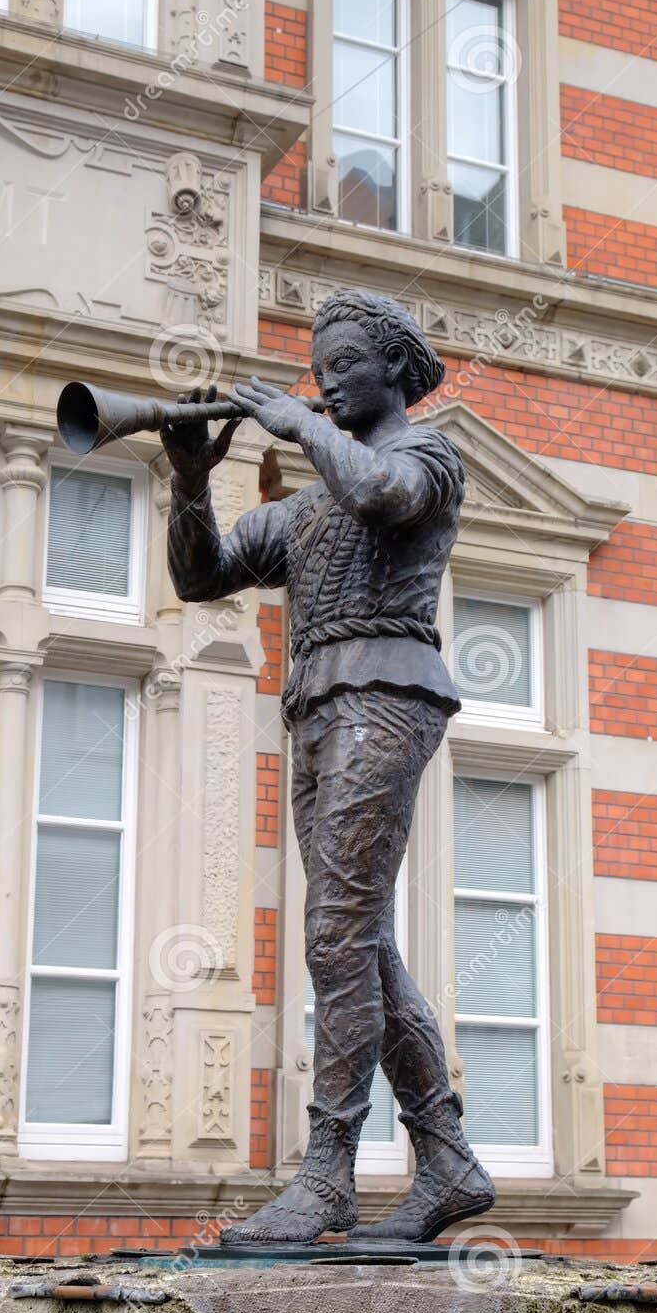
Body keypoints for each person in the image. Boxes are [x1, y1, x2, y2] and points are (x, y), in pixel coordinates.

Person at [161, 290, 495, 1244]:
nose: (324, 379)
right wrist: (190, 481)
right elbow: (200, 575)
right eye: (319, 365)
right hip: (314, 712)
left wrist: (297, 422)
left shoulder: (424, 456)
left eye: (343, 363)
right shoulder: (305, 509)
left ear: (392, 368)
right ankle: (447, 1162)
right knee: (359, 941)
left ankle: (327, 1177)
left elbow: (382, 496)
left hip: (388, 696)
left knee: (333, 934)